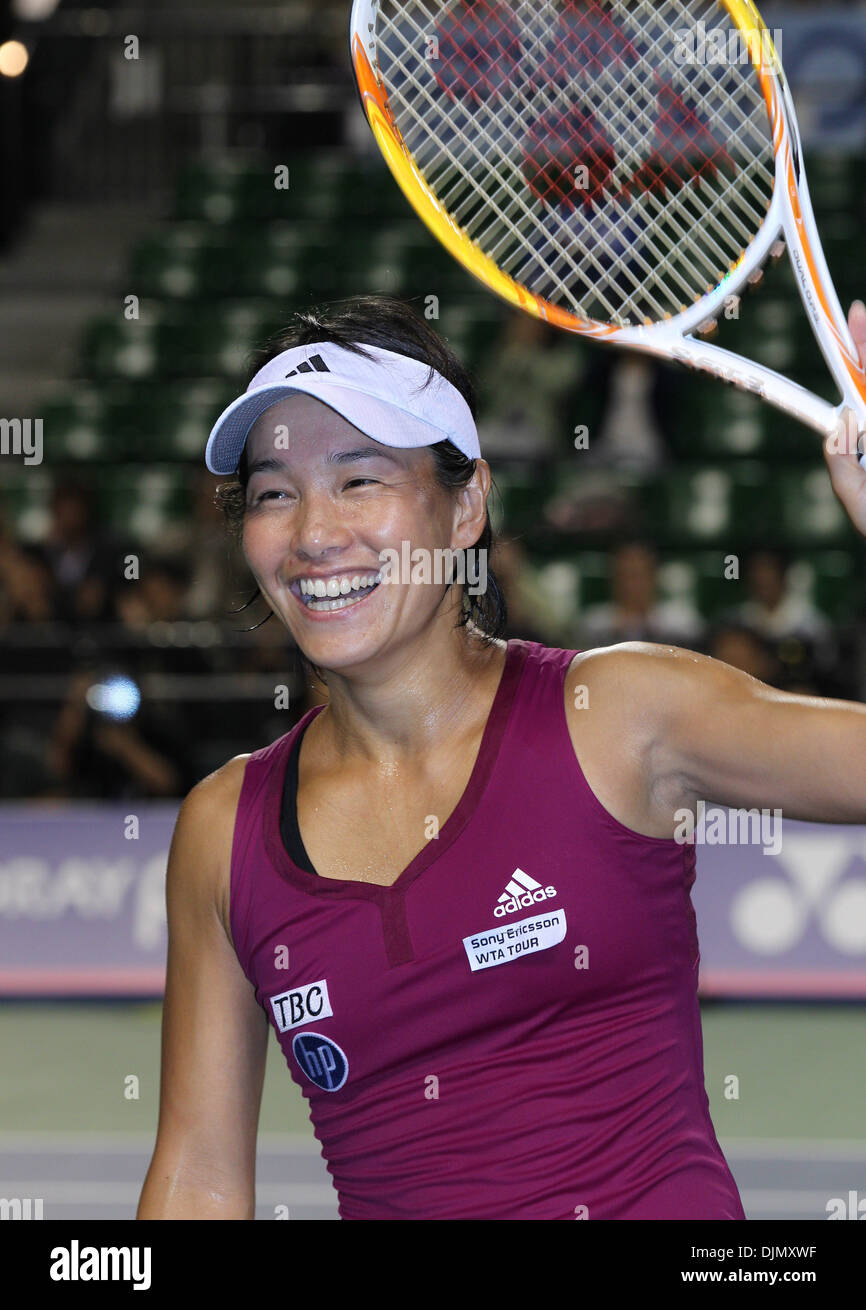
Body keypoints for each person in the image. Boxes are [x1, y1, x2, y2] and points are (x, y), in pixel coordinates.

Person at [138, 295, 866, 1222]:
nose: (315, 533)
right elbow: (198, 1179)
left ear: (467, 505)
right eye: (275, 492)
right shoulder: (223, 830)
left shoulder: (619, 715)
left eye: (360, 481)